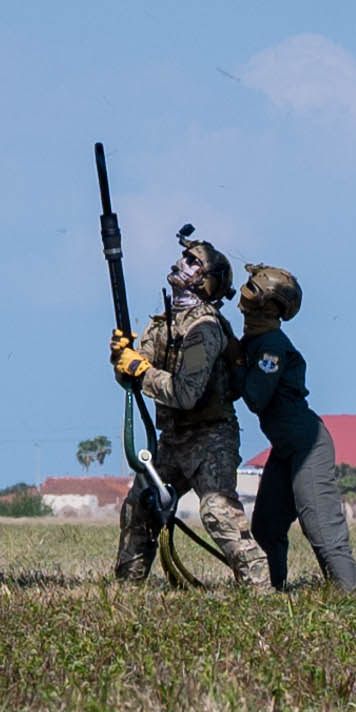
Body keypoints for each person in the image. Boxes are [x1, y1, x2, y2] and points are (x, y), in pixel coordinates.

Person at [109, 235, 251, 587]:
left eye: (191, 262)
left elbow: (185, 394)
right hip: (173, 440)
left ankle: (260, 592)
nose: (179, 264)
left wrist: (140, 370)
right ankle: (127, 589)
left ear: (205, 281)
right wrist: (122, 360)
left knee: (219, 516)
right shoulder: (164, 323)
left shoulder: (204, 328)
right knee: (140, 506)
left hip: (211, 439)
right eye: (182, 258)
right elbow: (134, 376)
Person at [232, 263, 356, 592]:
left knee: (321, 530)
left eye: (254, 292)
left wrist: (231, 363)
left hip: (307, 447)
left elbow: (256, 396)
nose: (245, 299)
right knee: (266, 529)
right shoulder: (255, 342)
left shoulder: (271, 345)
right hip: (287, 448)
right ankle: (272, 593)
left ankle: (352, 596)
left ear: (269, 305)